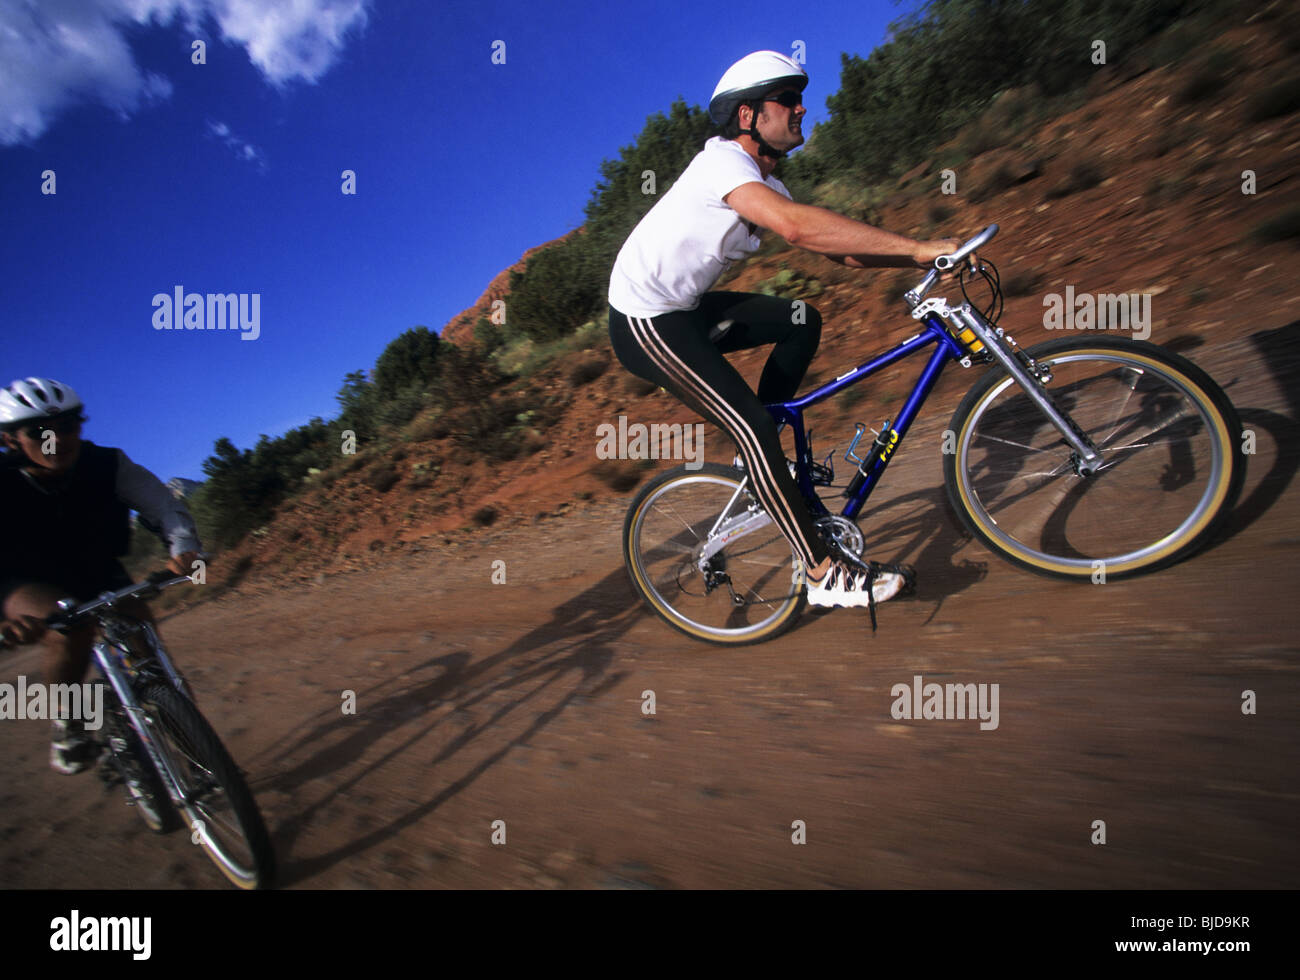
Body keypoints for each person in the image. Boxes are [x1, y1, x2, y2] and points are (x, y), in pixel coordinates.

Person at [608, 50, 968, 613]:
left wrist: (918, 259)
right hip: (644, 320)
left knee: (804, 320)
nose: (802, 108)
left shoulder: (757, 178)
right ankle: (822, 571)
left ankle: (764, 459)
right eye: (787, 100)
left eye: (799, 98)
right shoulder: (723, 164)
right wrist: (919, 248)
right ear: (747, 116)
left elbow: (841, 253)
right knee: (749, 424)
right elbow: (800, 231)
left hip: (687, 307)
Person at [0, 378, 203, 773]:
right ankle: (71, 721)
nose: (56, 439)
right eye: (39, 432)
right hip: (25, 580)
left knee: (148, 654)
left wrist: (184, 550)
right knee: (68, 623)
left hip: (97, 568)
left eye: (68, 426)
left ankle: (199, 757)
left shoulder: (107, 463)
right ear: (10, 440)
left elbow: (162, 506)